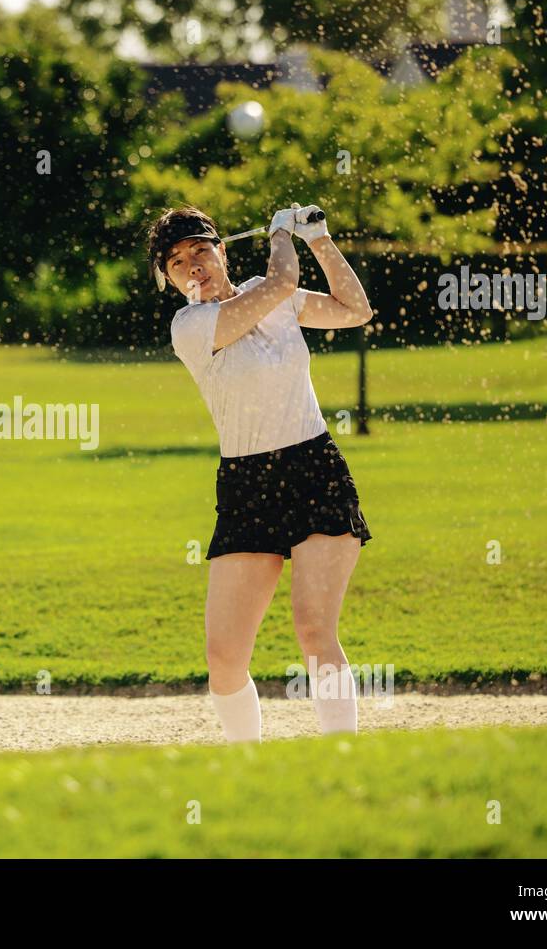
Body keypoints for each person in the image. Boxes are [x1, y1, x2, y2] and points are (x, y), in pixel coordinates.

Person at [145, 203, 375, 742]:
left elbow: (355, 309)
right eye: (176, 262)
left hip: (314, 468)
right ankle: (247, 764)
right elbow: (281, 280)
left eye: (201, 250)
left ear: (222, 250)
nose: (193, 265)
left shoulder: (273, 296)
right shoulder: (191, 325)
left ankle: (345, 757)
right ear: (168, 279)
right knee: (223, 656)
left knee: (315, 629)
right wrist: (279, 234)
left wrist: (318, 237)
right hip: (247, 485)